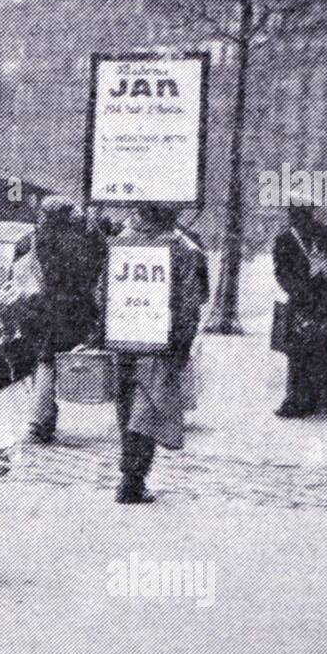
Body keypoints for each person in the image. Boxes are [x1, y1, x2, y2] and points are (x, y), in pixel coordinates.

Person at [104, 204, 202, 504]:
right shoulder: (182, 249)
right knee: (146, 410)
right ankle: (132, 480)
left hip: (123, 338)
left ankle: (130, 475)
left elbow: (101, 291)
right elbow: (190, 303)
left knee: (126, 408)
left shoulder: (119, 243)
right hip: (159, 343)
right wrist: (182, 346)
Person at [26, 195, 106, 444]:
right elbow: (98, 262)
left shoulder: (42, 238)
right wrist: (94, 231)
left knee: (46, 360)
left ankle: (41, 419)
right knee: (58, 358)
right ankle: (43, 418)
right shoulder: (80, 240)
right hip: (80, 307)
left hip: (50, 306)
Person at [272, 201, 327, 418]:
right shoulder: (290, 240)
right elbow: (283, 274)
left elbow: (282, 274)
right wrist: (308, 295)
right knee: (314, 354)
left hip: (317, 303)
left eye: (300, 213)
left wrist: (303, 294)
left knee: (313, 354)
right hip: (318, 303)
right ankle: (319, 401)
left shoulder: (321, 236)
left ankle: (311, 400)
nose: (298, 218)